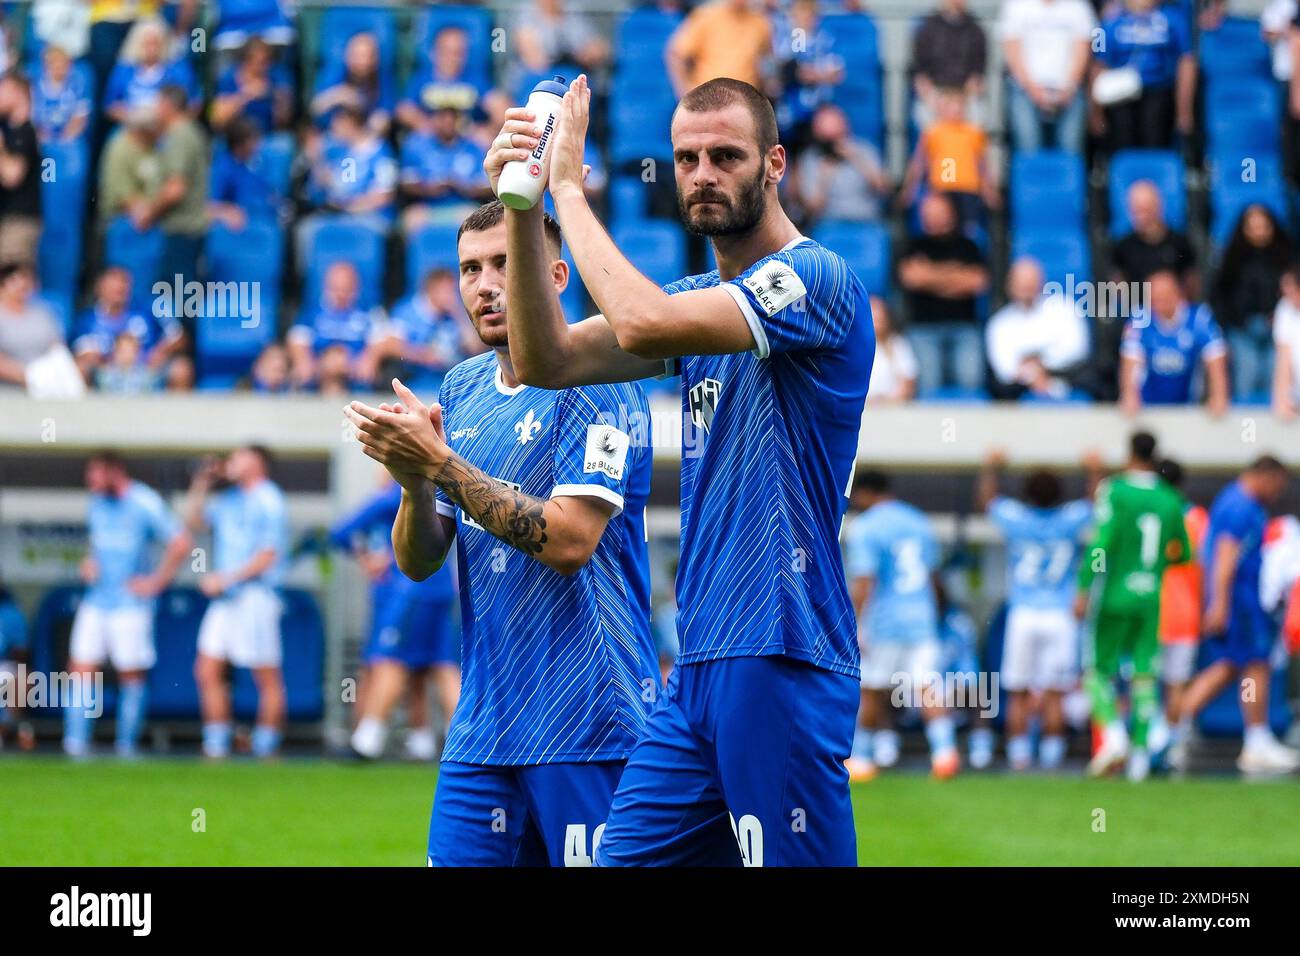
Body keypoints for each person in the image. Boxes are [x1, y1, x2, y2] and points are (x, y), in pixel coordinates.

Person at [487, 75, 873, 866]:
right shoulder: (701, 296)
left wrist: (567, 185)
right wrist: (526, 209)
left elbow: (641, 319)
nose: (701, 174)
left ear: (774, 164)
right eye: (686, 158)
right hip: (698, 659)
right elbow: (543, 357)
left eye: (725, 156)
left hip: (781, 648)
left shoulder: (817, 277)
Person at [342, 200, 657, 866]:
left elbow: (571, 543)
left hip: (590, 722)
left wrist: (442, 465)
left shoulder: (601, 383)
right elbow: (420, 560)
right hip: (484, 731)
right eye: (469, 268)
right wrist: (413, 480)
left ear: (558, 277)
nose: (484, 284)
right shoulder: (459, 388)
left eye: (505, 265)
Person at [1169, 457, 1298, 774]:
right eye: (1278, 484)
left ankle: (1171, 731)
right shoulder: (1240, 505)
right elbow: (1225, 555)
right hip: (1240, 601)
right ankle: (1256, 739)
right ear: (1265, 476)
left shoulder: (1238, 502)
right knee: (1255, 664)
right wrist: (1220, 604)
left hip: (1240, 599)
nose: (1278, 493)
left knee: (1228, 667)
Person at [1074, 430, 1190, 782]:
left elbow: (1100, 544)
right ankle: (1139, 762)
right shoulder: (1170, 499)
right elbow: (1182, 552)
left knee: (1096, 671)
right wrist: (1151, 568)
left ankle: (1112, 734)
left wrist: (1084, 587)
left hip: (1115, 595)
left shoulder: (1116, 490)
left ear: (1129, 453)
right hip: (1150, 596)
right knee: (1143, 677)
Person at [978, 449, 1100, 771]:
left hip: (1024, 614)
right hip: (1060, 615)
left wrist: (991, 467)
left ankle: (1019, 758)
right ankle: (1051, 759)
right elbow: (1095, 502)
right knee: (1055, 692)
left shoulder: (1017, 520)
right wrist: (1094, 469)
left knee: (1018, 691)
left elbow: (988, 501)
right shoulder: (1069, 520)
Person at [63, 452, 190, 756]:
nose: (91, 481)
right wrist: (90, 564)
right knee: (80, 668)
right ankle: (74, 745)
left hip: (131, 604)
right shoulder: (96, 503)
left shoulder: (144, 502)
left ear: (115, 471)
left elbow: (181, 542)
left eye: (96, 473)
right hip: (96, 600)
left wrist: (156, 582)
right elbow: (96, 545)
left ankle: (125, 748)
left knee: (130, 673)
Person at [330, 476, 460, 762]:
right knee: (440, 664)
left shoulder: (398, 492)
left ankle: (368, 741)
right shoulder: (437, 485)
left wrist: (373, 559)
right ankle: (445, 740)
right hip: (441, 587)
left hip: (412, 590)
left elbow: (339, 532)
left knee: (391, 660)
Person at [845, 470, 959, 781]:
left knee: (872, 690)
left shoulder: (866, 527)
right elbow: (935, 578)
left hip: (884, 621)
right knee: (927, 686)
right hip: (921, 618)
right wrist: (935, 615)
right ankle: (945, 752)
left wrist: (853, 623)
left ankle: (862, 757)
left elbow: (865, 580)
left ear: (866, 493)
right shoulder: (919, 522)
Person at [184, 446, 289, 760]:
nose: (231, 463)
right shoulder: (228, 500)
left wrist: (227, 578)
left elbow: (269, 555)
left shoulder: (269, 499)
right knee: (206, 669)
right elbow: (194, 520)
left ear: (257, 462)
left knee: (266, 676)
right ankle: (216, 743)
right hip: (226, 599)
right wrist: (202, 481)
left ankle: (265, 748)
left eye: (238, 457)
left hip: (255, 597)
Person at [897, 192, 989, 395]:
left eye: (937, 212)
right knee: (929, 389)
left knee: (971, 385)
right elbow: (912, 278)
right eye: (927, 213)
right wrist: (955, 274)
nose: (932, 218)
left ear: (951, 214)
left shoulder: (969, 246)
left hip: (964, 328)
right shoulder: (913, 245)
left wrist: (930, 275)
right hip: (924, 329)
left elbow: (976, 282)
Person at [1119, 270, 1230, 416]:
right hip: (1147, 407)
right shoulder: (1140, 318)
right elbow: (1130, 361)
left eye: (1164, 297)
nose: (1158, 304)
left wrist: (1219, 395)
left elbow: (1216, 357)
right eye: (1154, 299)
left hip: (1189, 405)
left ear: (1178, 294)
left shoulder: (1199, 317)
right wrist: (1129, 393)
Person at [1212, 205, 1293, 400]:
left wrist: (1279, 317)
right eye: (1253, 227)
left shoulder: (1286, 257)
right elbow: (1219, 296)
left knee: (1276, 383)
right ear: (1244, 228)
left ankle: (1276, 430)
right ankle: (1246, 430)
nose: (1259, 232)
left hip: (1276, 331)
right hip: (1242, 332)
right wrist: (1233, 323)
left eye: (1263, 226)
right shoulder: (1232, 258)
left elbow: (1290, 292)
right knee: (1246, 380)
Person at [1153, 457, 1208, 750]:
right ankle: (1170, 745)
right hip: (1185, 613)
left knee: (1144, 682)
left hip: (1149, 611)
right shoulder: (1197, 518)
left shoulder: (1149, 515)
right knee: (1177, 684)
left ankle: (1147, 744)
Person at [1093, 0, 1196, 152]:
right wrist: (1096, 112)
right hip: (1119, 95)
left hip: (1158, 92)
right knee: (1122, 149)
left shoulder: (1173, 19)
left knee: (1155, 145)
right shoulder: (1108, 21)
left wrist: (1184, 110)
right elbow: (1097, 63)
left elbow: (1187, 62)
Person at [985, 257, 1091, 401]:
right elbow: (1005, 369)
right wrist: (1034, 375)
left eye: (1031, 281)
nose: (1026, 287)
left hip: (1065, 374)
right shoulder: (999, 323)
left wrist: (1041, 365)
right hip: (1020, 385)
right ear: (1009, 285)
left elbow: (1077, 348)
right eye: (1021, 282)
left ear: (1042, 281)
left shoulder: (1064, 307)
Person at [999, 0, 1096, 154]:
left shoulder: (1078, 7)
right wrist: (1032, 89)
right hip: (1025, 91)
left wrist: (1069, 86)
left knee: (1070, 151)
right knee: (1027, 149)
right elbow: (1012, 50)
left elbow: (1083, 49)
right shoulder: (1016, 5)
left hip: (1069, 91)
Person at [899, 84, 997, 232]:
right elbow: (919, 162)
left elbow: (982, 164)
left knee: (968, 227)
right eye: (950, 105)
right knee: (943, 225)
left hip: (968, 189)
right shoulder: (932, 132)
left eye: (959, 105)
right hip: (943, 187)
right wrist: (910, 189)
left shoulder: (974, 133)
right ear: (940, 108)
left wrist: (988, 189)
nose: (955, 110)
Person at [285, 261, 389, 392]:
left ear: (356, 288)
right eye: (336, 288)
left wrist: (370, 358)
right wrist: (304, 360)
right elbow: (297, 338)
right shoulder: (312, 311)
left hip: (355, 368)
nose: (341, 294)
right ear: (326, 287)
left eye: (346, 288)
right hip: (320, 366)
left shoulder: (370, 310)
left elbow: (384, 338)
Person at [398, 105, 491, 233]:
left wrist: (461, 187)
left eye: (452, 118)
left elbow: (487, 186)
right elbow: (406, 183)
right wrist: (430, 188)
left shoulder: (473, 148)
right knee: (412, 219)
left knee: (472, 218)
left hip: (461, 205)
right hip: (427, 206)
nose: (447, 122)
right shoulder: (417, 146)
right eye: (442, 117)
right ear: (434, 119)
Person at [794, 102, 890, 227]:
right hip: (829, 224)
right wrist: (824, 179)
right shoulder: (811, 158)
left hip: (867, 222)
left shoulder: (865, 150)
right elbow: (812, 210)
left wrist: (857, 159)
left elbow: (884, 189)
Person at [666, 0, 773, 96]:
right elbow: (675, 55)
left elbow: (768, 61)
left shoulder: (760, 22)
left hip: (745, 100)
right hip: (708, 98)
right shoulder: (706, 16)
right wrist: (684, 92)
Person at [396, 26, 488, 136]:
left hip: (466, 141)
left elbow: (499, 105)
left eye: (459, 52)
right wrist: (427, 126)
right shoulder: (423, 79)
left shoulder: (474, 79)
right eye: (448, 51)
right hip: (431, 140)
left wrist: (486, 130)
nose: (453, 58)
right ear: (435, 52)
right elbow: (404, 109)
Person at [910, 0, 987, 129]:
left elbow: (977, 75)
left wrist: (959, 103)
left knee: (977, 116)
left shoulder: (976, 30)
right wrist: (938, 100)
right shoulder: (927, 28)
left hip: (964, 94)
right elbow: (921, 73)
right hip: (935, 92)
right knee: (925, 118)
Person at [1110, 180, 1196, 291]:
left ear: (1158, 207)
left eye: (1144, 210)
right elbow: (1117, 290)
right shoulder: (1123, 247)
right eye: (1135, 211)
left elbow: (1190, 287)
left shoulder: (1179, 244)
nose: (1140, 217)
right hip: (1137, 306)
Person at [309, 32, 392, 137]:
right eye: (355, 55)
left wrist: (364, 134)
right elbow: (314, 108)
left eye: (364, 56)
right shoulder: (336, 73)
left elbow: (385, 115)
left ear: (374, 59)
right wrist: (338, 95)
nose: (358, 61)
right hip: (332, 136)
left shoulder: (381, 77)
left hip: (366, 139)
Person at [0, 261, 64, 390]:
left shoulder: (43, 313)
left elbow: (57, 348)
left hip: (46, 384)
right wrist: (28, 377)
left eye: (26, 280)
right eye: (15, 280)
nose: (22, 285)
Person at [0, 72, 43, 266]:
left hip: (20, 222)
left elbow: (12, 176)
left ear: (18, 93)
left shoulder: (25, 132)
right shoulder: (11, 132)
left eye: (3, 89)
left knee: (12, 279)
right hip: (9, 219)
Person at [32, 43, 92, 143]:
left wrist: (63, 139)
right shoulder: (35, 85)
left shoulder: (77, 85)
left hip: (67, 139)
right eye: (53, 63)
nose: (58, 67)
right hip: (40, 137)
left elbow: (80, 118)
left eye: (62, 63)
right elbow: (27, 115)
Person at [865, 296, 917, 404]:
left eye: (880, 317)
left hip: (893, 408)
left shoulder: (898, 344)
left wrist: (889, 402)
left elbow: (908, 382)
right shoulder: (851, 348)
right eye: (873, 316)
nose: (877, 321)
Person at [1273, 261, 1300, 420]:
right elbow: (1283, 359)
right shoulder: (1284, 308)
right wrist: (1281, 400)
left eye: (1291, 289)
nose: (1285, 293)